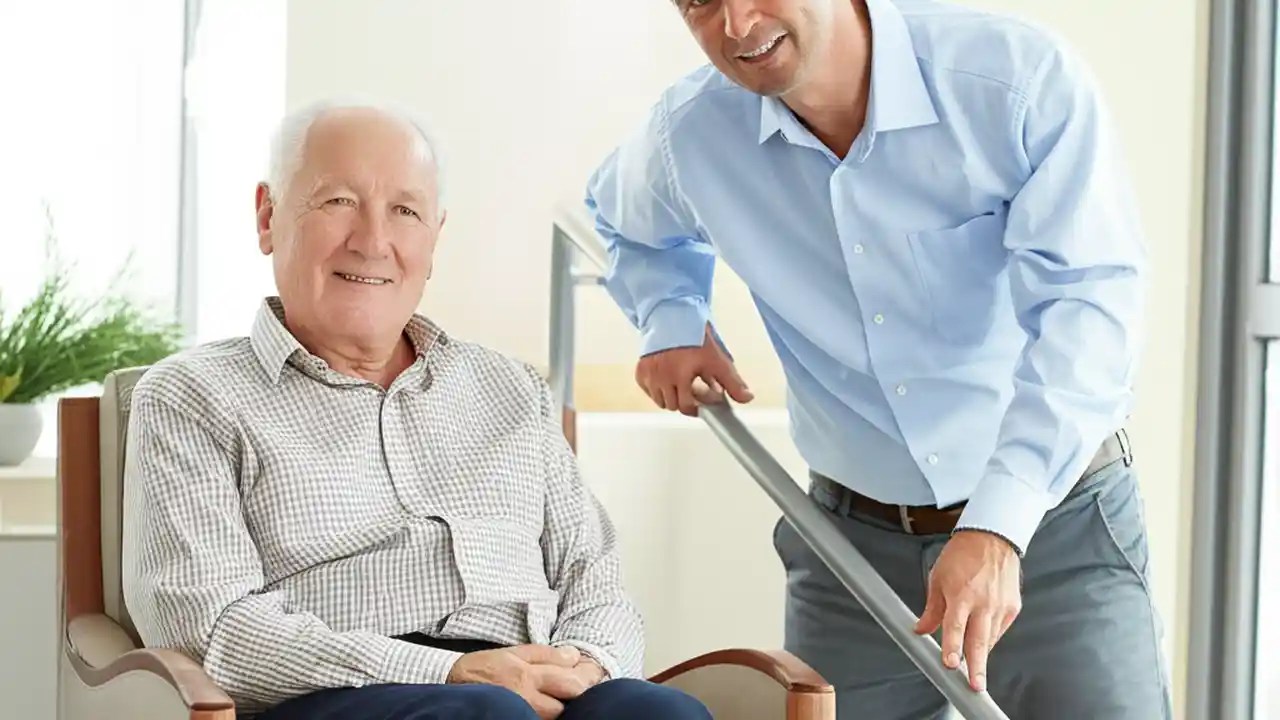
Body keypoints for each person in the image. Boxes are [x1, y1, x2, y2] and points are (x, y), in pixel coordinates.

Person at [584, 0, 1171, 717]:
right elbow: (622, 219)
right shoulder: (691, 132)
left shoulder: (1013, 81)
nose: (735, 25)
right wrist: (670, 317)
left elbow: (1088, 311)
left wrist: (997, 525)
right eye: (700, 2)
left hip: (1053, 529)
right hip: (851, 552)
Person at [121, 100, 711, 720]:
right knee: (485, 716)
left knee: (660, 715)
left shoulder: (512, 387)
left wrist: (583, 667)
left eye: (404, 211)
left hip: (530, 683)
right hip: (339, 695)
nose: (373, 242)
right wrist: (449, 672)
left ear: (434, 237)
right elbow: (210, 629)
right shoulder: (191, 396)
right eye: (338, 201)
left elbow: (595, 579)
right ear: (268, 216)